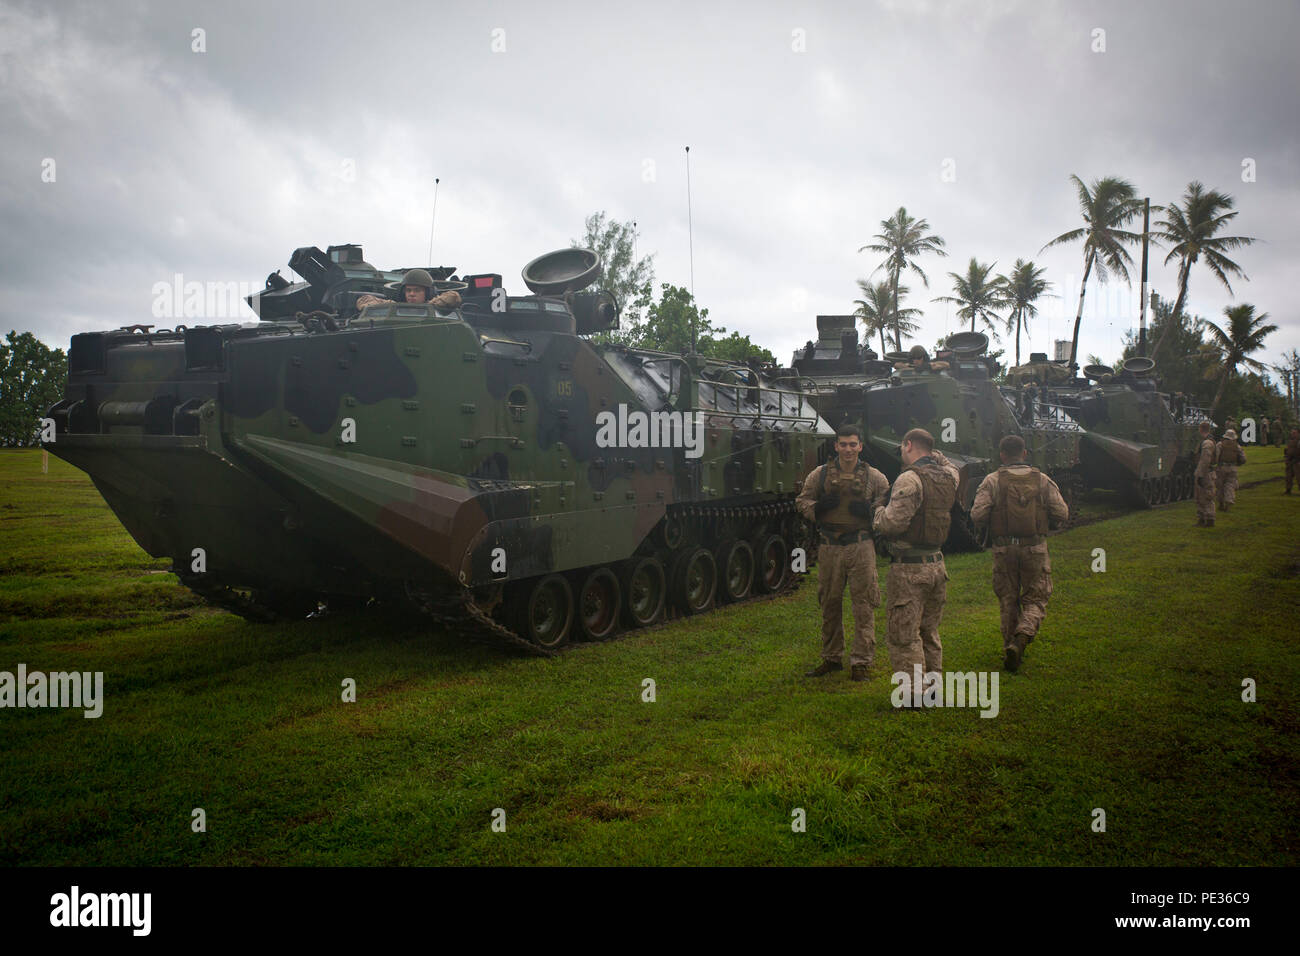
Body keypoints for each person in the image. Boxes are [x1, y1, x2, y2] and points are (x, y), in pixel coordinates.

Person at [796, 424, 890, 680]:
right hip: (830, 546)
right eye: (843, 444)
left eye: (853, 444)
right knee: (829, 602)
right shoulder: (820, 474)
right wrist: (818, 509)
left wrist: (871, 513)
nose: (848, 449)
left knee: (864, 604)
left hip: (861, 545)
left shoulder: (875, 477)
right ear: (836, 445)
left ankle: (861, 661)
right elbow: (802, 500)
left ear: (860, 446)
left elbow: (886, 507)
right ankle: (831, 657)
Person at [872, 428, 959, 705]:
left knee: (903, 635)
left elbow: (892, 523)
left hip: (909, 569)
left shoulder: (909, 479)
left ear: (908, 444)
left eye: (902, 446)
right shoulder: (948, 477)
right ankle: (933, 688)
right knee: (929, 632)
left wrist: (876, 512)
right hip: (937, 564)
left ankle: (913, 695)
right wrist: (938, 457)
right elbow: (952, 467)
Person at [970, 434, 1070, 671]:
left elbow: (977, 515)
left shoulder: (992, 480)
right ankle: (1022, 636)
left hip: (1004, 548)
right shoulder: (1042, 480)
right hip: (1034, 546)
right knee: (1036, 596)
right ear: (1025, 453)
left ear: (1002, 455)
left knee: (1008, 598)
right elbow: (1062, 514)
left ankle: (1010, 647)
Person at [356, 268, 463, 310]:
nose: (411, 294)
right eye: (408, 290)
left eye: (417, 290)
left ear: (428, 292)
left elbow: (453, 297)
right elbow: (364, 300)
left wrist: (429, 306)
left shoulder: (436, 308)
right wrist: (391, 305)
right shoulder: (396, 308)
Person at [1193, 420, 1218, 527]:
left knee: (1207, 496)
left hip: (1206, 473)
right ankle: (1202, 518)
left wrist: (1200, 474)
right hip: (1205, 471)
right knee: (1200, 497)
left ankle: (1210, 519)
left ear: (1201, 429)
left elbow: (1205, 460)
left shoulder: (1207, 443)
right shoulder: (1207, 441)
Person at [1215, 428, 1246, 511]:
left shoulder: (1220, 444)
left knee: (1220, 486)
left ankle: (1221, 504)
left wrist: (1215, 465)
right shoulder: (1237, 446)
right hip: (1233, 468)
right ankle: (1228, 504)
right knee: (1230, 486)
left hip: (1221, 467)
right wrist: (1237, 464)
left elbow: (1216, 456)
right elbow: (1243, 459)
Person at [1286, 428, 1300, 495]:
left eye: (1294, 433)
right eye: (1292, 433)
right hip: (1290, 461)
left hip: (1297, 461)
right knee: (1288, 477)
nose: (1292, 434)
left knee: (1298, 477)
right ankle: (1288, 490)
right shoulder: (1290, 441)